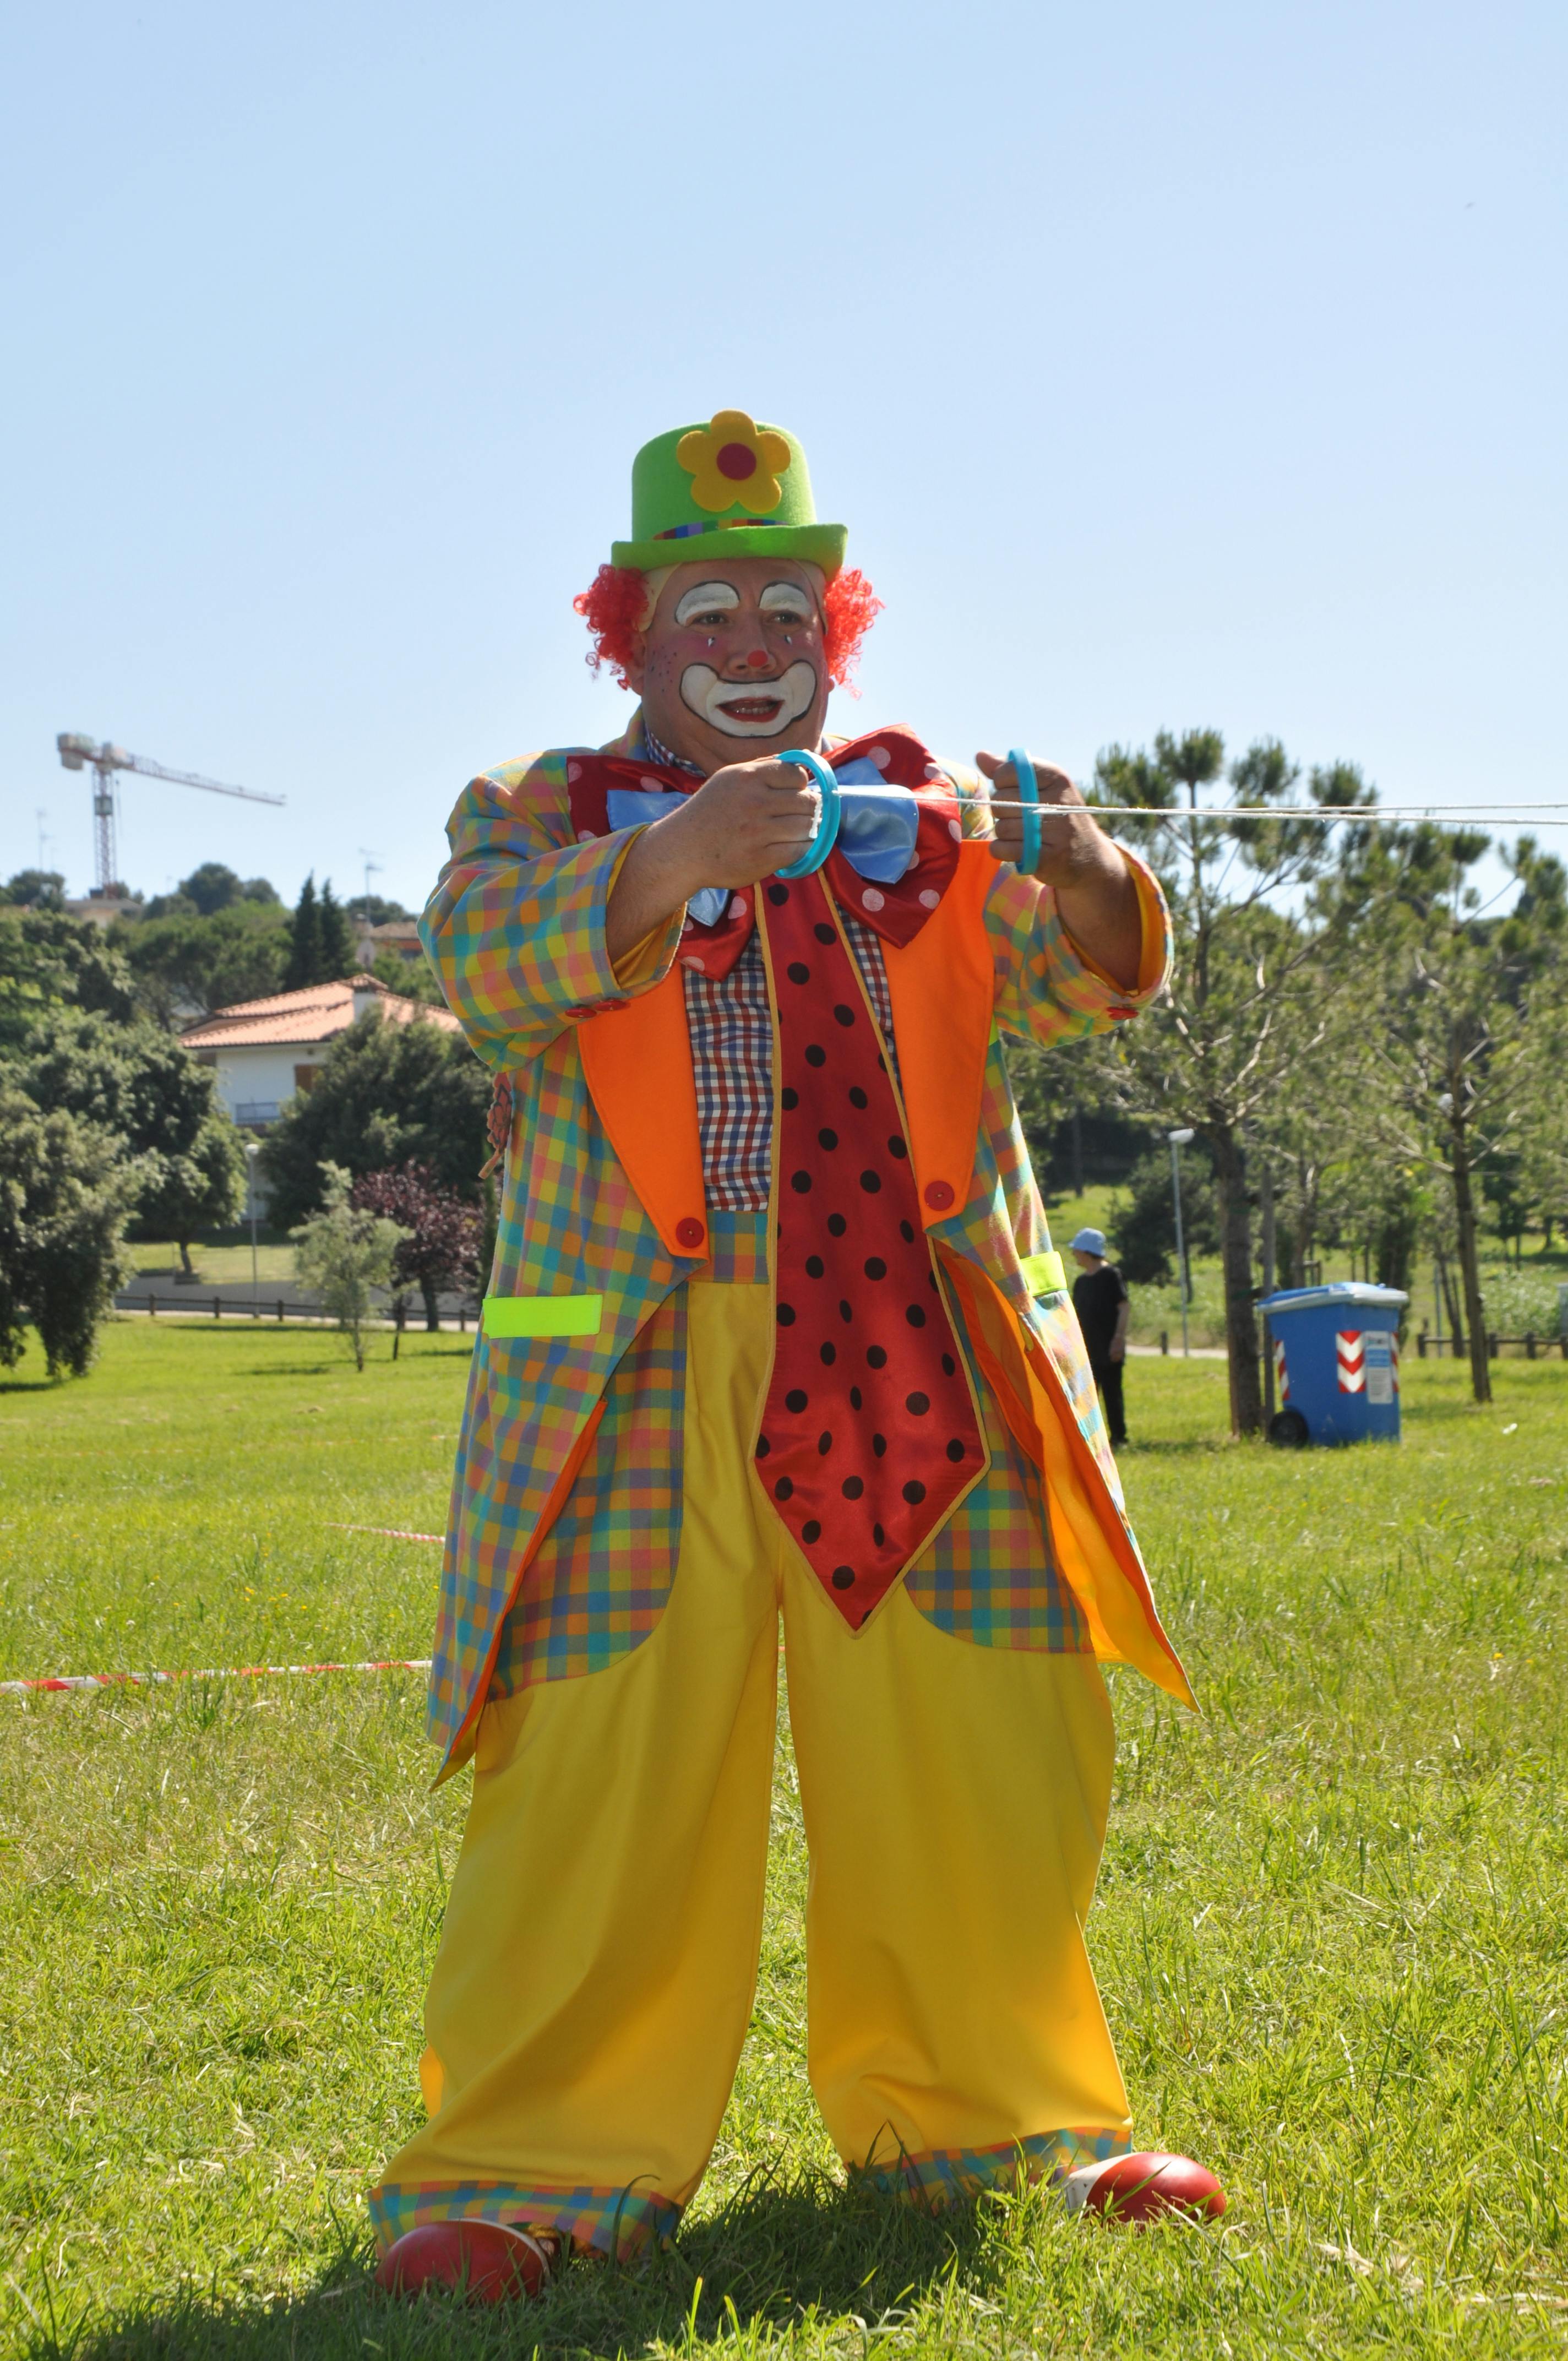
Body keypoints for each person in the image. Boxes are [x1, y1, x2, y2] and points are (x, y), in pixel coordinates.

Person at [371, 411, 1202, 2300]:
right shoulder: (539, 814)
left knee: (981, 1745)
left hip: (918, 1346)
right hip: (633, 1376)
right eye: (705, 611)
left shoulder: (930, 806)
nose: (750, 641)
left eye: (784, 608)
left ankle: (1002, 2129)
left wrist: (1087, 877)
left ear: (834, 630)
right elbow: (485, 966)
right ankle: (532, 2173)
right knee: (598, 1766)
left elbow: (1076, 981)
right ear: (630, 640)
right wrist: (668, 856)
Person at [1070, 1227, 1131, 1446]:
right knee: (1086, 1398)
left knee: (1112, 1394)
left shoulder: (1111, 1276)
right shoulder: (1081, 1282)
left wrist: (1119, 1339)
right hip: (1087, 1350)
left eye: (1076, 1250)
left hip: (1108, 1346)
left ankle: (1119, 1438)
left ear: (1086, 1251)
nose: (1074, 1254)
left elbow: (1124, 1307)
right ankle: (1088, 1439)